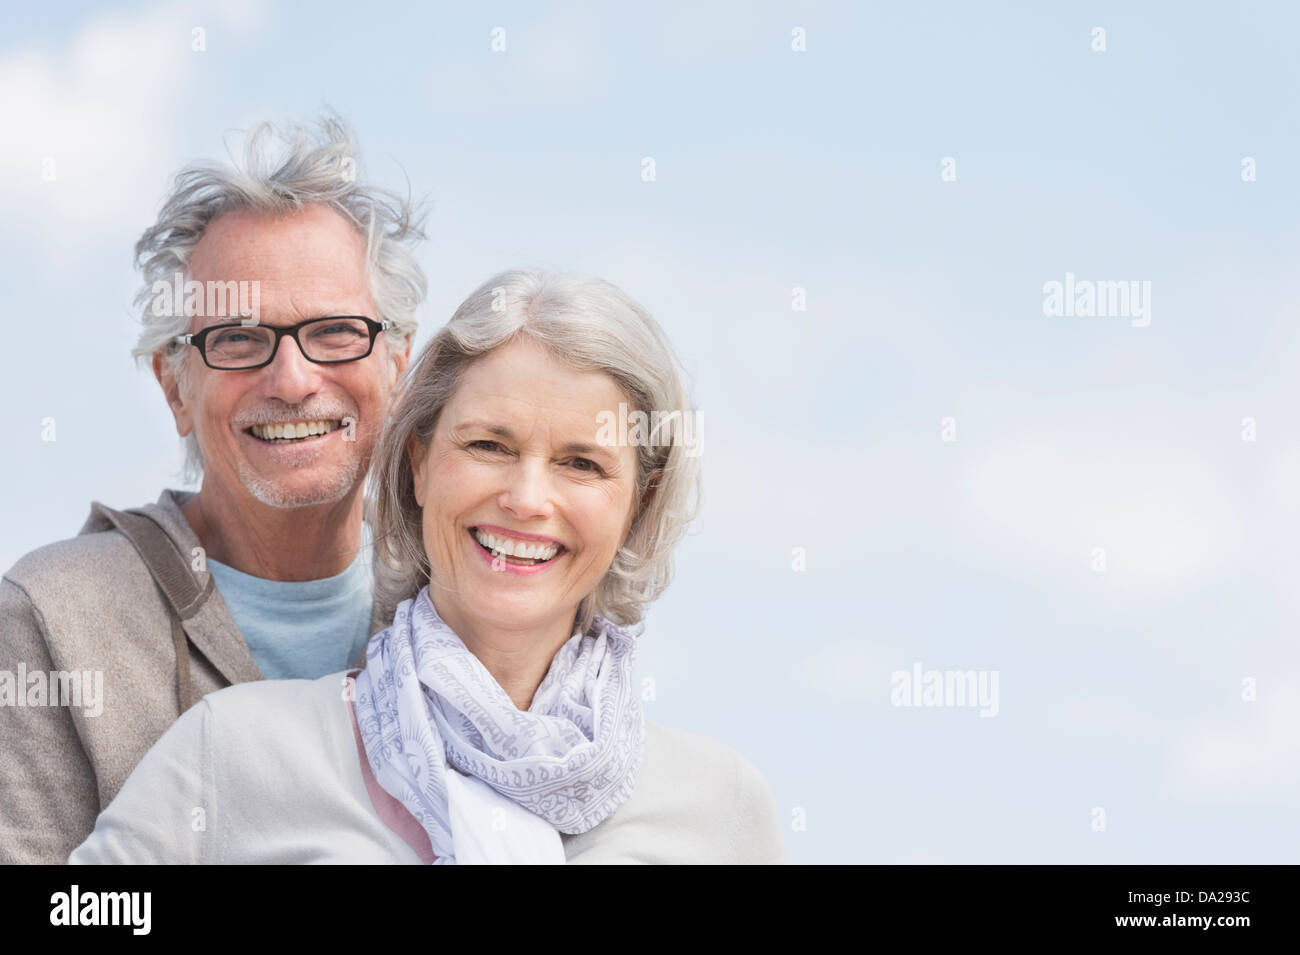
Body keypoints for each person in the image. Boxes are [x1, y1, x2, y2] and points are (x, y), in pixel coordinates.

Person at [68, 270, 786, 864]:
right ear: (418, 460)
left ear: (640, 498)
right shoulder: (232, 752)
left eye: (581, 462)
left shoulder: (722, 809)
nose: (527, 498)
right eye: (489, 445)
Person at [0, 114, 426, 863]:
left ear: (396, 364)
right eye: (236, 339)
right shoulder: (53, 617)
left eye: (334, 331)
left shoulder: (463, 599)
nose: (292, 380)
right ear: (175, 388)